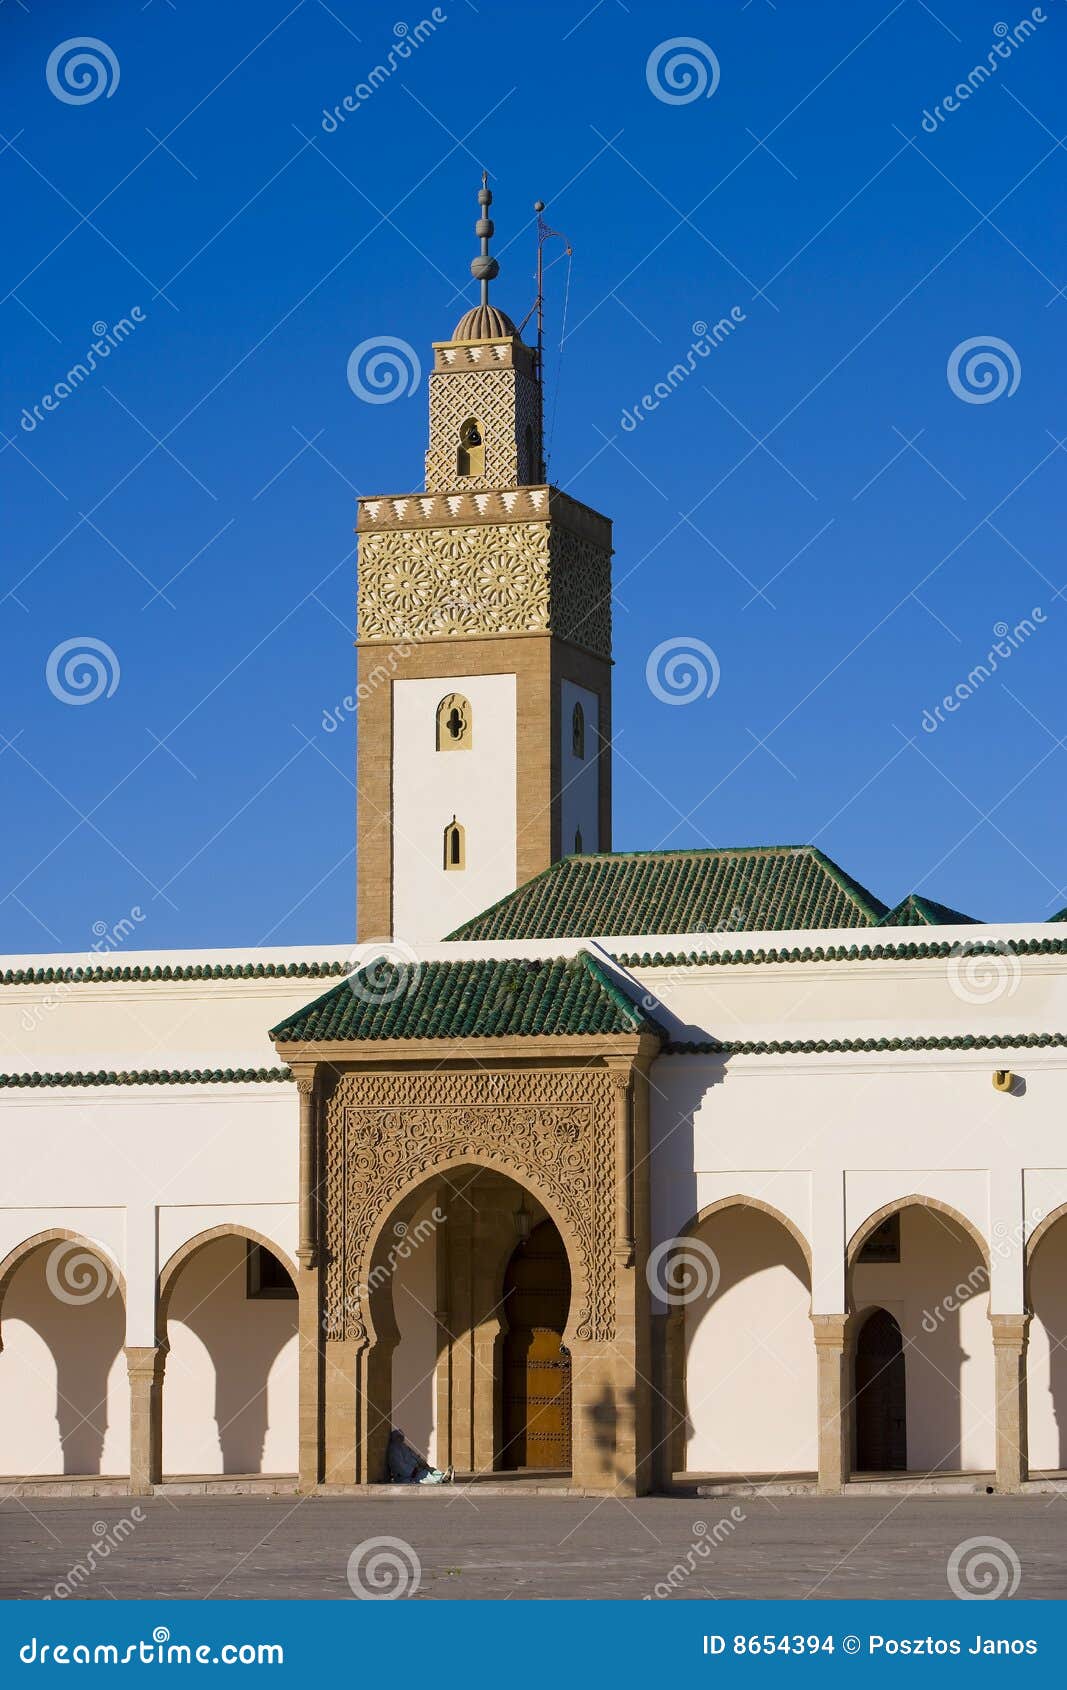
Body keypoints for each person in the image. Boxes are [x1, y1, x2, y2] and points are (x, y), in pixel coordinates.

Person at [386, 1427, 454, 1484]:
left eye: (402, 1436)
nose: (401, 1438)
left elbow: (414, 1455)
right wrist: (413, 1471)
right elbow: (399, 1465)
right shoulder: (394, 1449)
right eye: (399, 1437)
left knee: (431, 1470)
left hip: (416, 1469)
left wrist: (422, 1463)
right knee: (424, 1475)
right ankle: (441, 1479)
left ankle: (443, 1476)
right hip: (407, 1475)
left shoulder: (403, 1446)